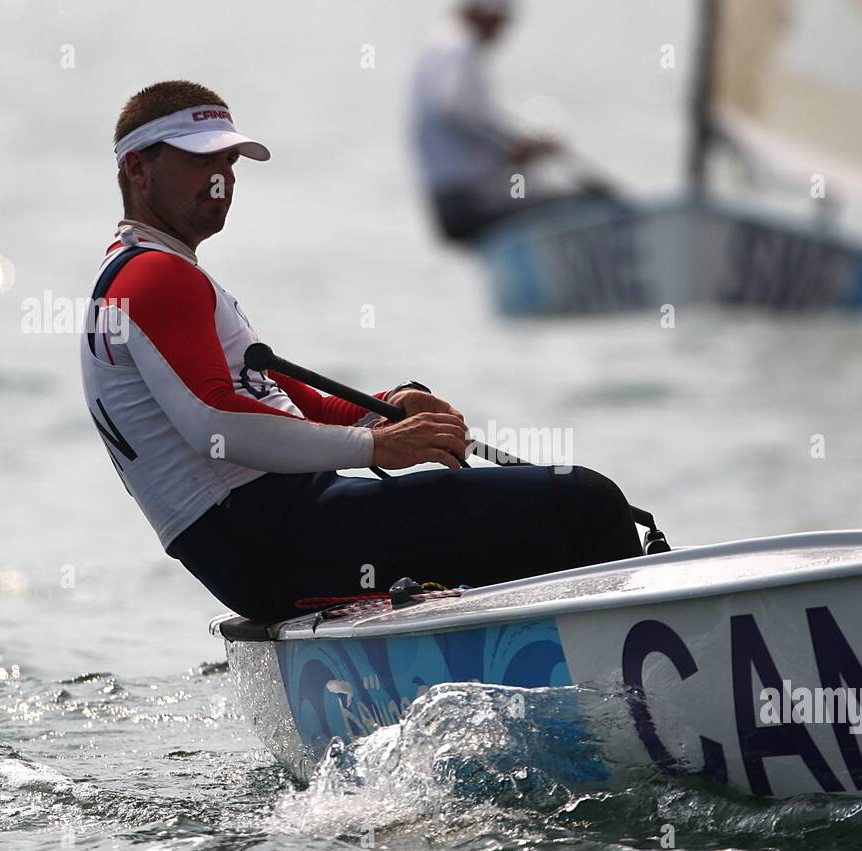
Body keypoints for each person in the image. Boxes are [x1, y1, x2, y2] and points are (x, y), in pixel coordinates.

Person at [81, 80, 642, 623]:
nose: (222, 177)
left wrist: (391, 406)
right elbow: (215, 421)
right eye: (202, 160)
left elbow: (294, 405)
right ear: (138, 168)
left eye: (230, 162)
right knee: (585, 502)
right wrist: (379, 444)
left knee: (533, 516)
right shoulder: (154, 276)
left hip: (278, 535)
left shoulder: (156, 273)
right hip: (273, 538)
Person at [411, 0, 602, 242]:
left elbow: (461, 113)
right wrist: (513, 147)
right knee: (587, 202)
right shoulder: (458, 47)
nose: (501, 32)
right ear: (483, 15)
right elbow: (454, 108)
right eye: (499, 22)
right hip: (467, 202)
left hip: (454, 202)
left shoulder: (440, 42)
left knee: (543, 194)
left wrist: (519, 146)